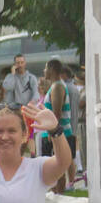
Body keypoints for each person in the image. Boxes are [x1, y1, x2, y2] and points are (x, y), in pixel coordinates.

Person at [41, 59, 76, 191]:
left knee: (58, 168)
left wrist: (53, 133)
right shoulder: (54, 86)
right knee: (53, 169)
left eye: (46, 68)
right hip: (53, 132)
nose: (44, 71)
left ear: (52, 70)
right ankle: (56, 194)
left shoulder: (57, 87)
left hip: (59, 133)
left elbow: (57, 113)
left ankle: (59, 195)